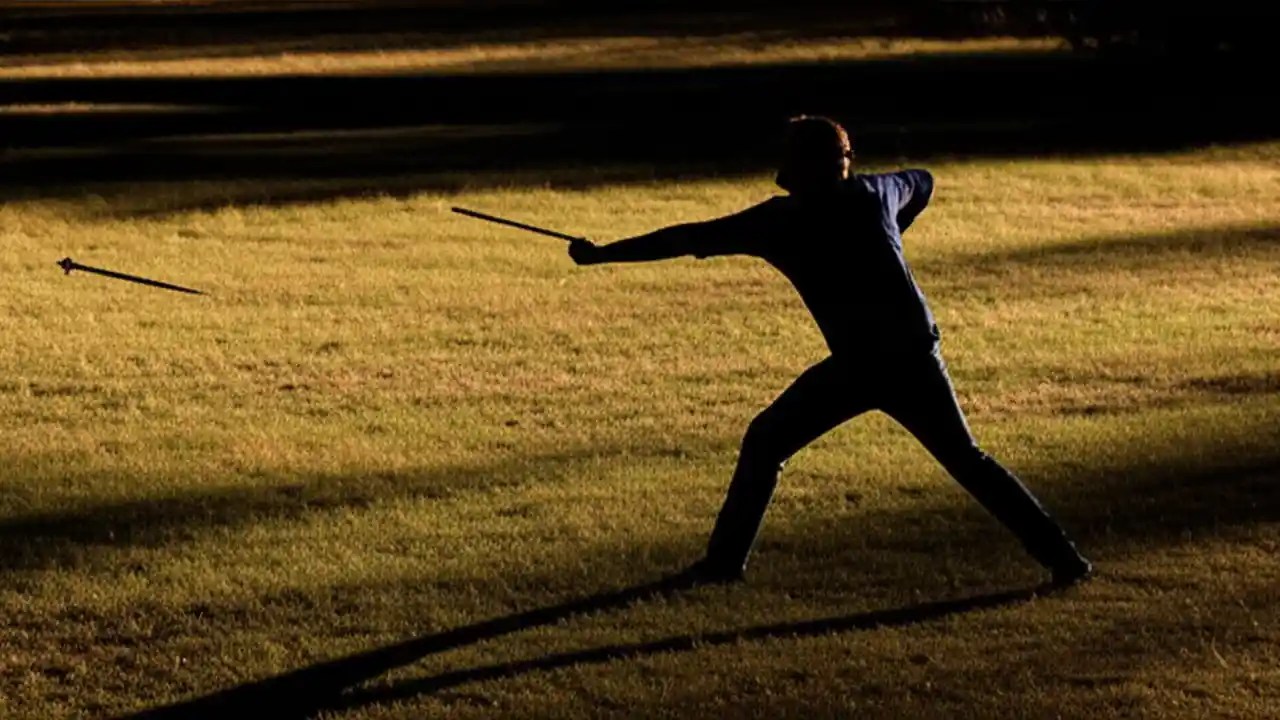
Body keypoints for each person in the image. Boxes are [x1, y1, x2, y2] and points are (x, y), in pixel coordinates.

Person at [567, 115, 1093, 588]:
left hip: (865, 365)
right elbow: (924, 181)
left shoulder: (781, 221)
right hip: (910, 355)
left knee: (767, 440)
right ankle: (1064, 560)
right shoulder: (876, 195)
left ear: (809, 166)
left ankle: (723, 565)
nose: (780, 167)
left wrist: (603, 255)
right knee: (967, 461)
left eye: (790, 156)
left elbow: (687, 238)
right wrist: (893, 229)